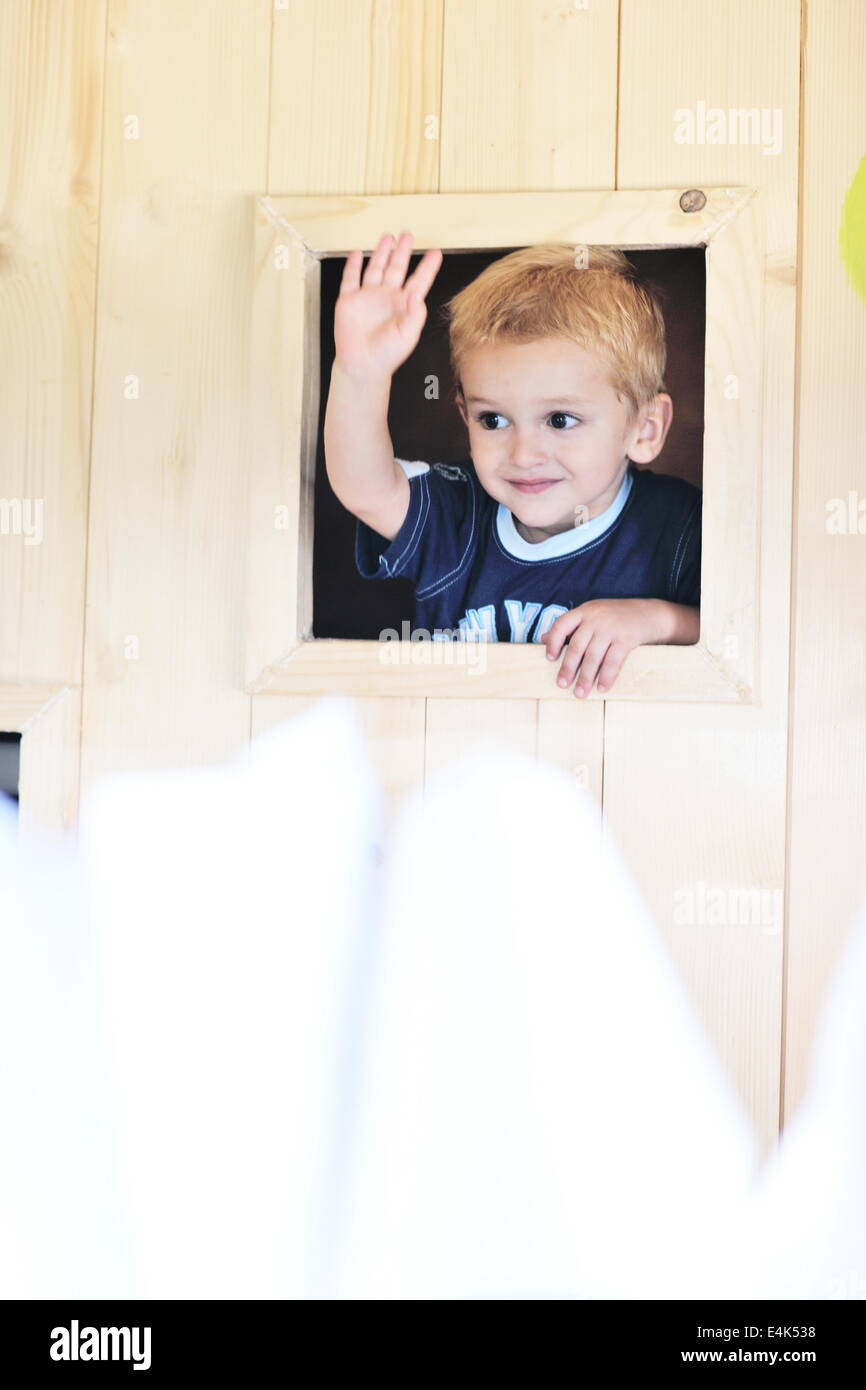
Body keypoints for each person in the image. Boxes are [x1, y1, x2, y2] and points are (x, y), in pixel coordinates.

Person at [323, 233, 701, 697]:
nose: (523, 454)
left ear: (645, 428)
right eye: (493, 419)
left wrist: (658, 619)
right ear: (465, 414)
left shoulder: (680, 529)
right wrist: (360, 374)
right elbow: (365, 490)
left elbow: (747, 637)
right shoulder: (458, 512)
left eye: (560, 420)